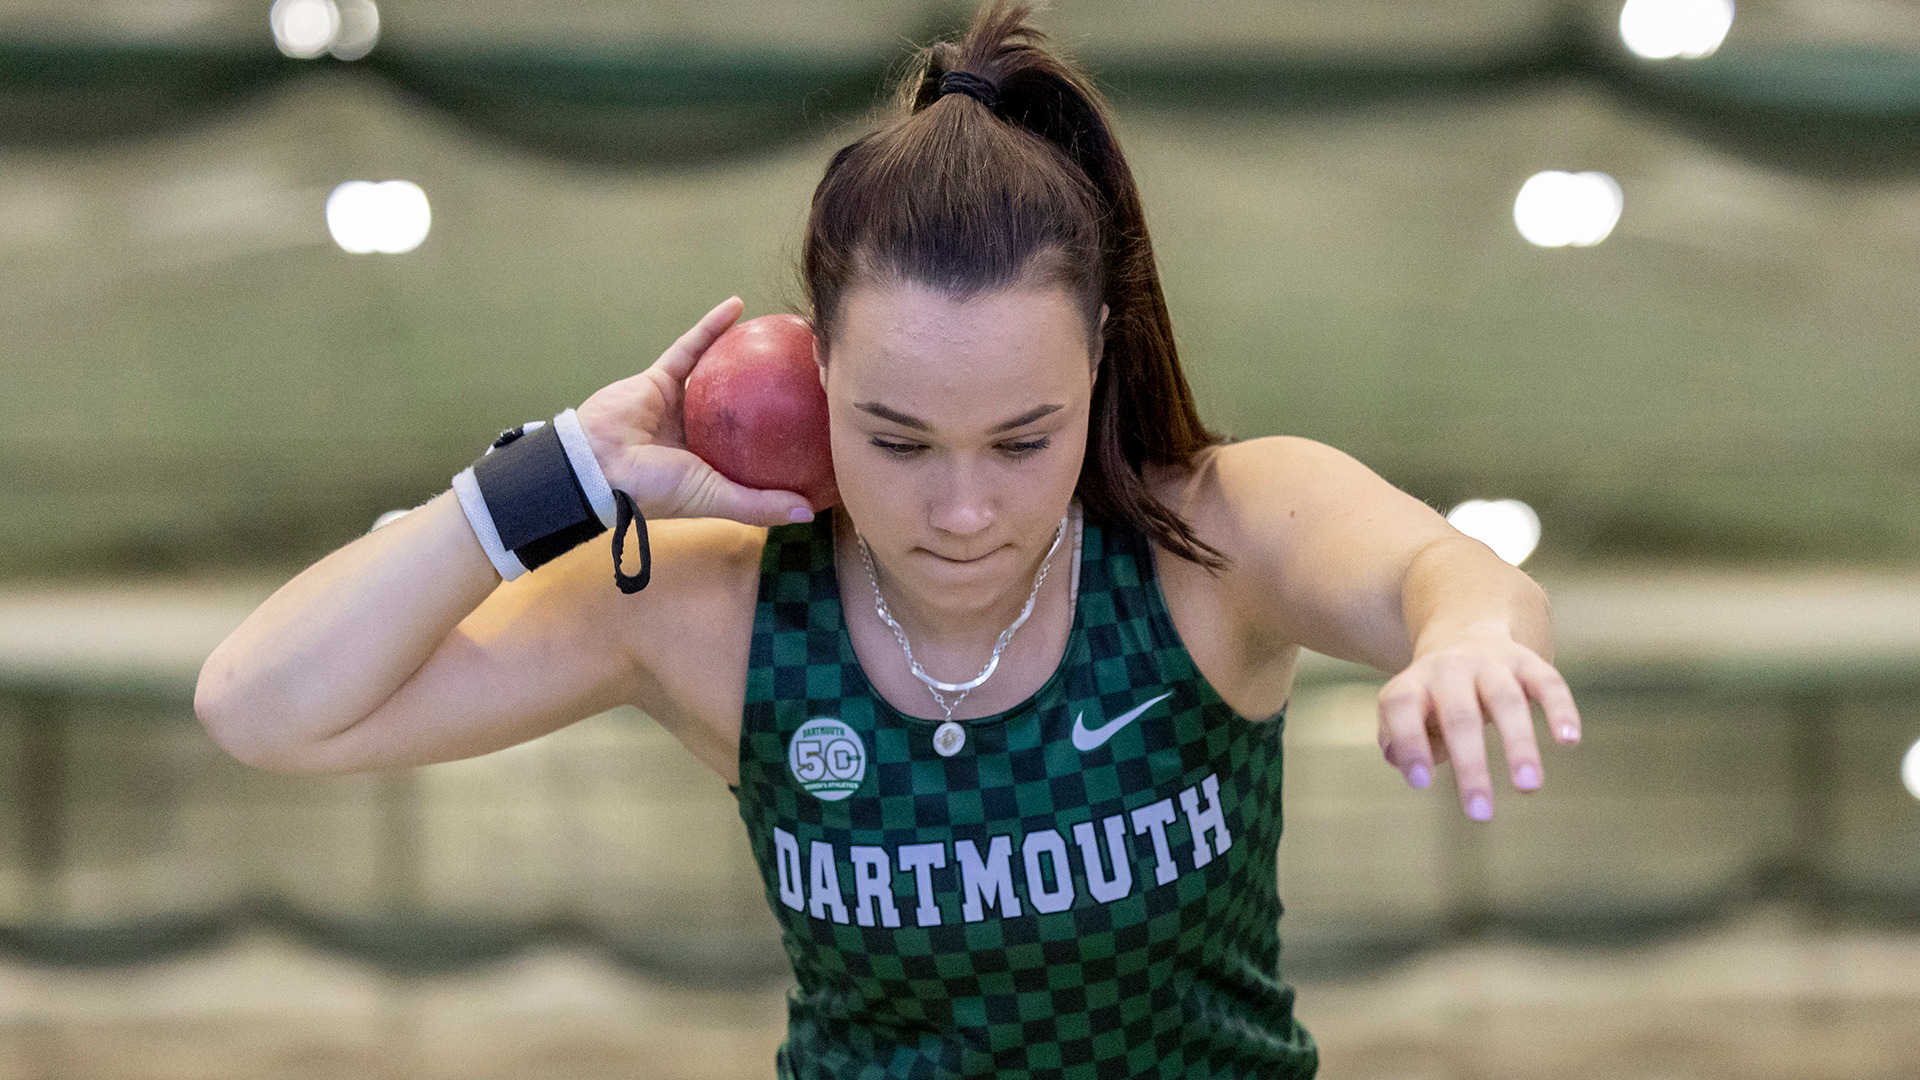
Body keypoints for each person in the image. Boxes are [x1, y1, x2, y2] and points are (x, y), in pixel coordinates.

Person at [196, 4, 1582, 1076]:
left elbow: (1450, 575)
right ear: (813, 379)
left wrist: (1465, 639)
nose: (964, 509)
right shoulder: (719, 609)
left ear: (1098, 359)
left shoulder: (1206, 536)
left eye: (1024, 439)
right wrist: (559, 474)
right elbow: (265, 706)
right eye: (898, 440)